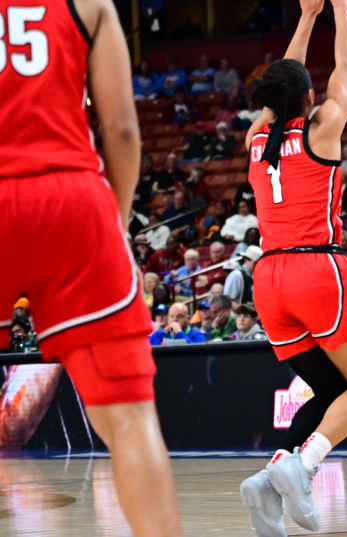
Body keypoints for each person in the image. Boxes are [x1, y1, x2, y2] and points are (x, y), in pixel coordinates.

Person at [0, 0, 182, 532]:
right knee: (130, 420)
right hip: (71, 203)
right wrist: (114, 226)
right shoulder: (90, 4)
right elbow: (123, 129)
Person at [237, 4, 347, 535]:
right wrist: (339, 10)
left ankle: (272, 473)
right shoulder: (321, 131)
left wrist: (306, 16)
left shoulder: (258, 137)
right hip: (316, 267)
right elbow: (346, 66)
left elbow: (283, 78)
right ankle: (304, 466)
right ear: (306, 99)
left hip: (268, 281)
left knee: (329, 391)